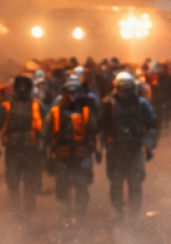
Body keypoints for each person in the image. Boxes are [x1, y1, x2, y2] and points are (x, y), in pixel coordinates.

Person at [101, 71, 158, 218]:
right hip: (116, 151)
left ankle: (133, 216)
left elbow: (152, 124)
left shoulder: (142, 103)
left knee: (135, 184)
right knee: (116, 185)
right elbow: (101, 126)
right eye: (123, 86)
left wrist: (149, 143)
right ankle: (120, 213)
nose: (126, 90)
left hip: (134, 150)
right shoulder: (108, 103)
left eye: (128, 86)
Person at [47, 78, 97, 221]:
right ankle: (70, 213)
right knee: (65, 186)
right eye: (69, 93)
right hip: (67, 155)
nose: (72, 96)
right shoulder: (57, 111)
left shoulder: (85, 111)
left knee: (79, 186)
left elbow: (94, 130)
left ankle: (76, 213)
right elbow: (46, 133)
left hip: (79, 155)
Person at [0, 74, 45, 212]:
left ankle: (15, 209)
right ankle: (29, 210)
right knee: (30, 182)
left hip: (12, 151)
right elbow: (44, 128)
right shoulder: (37, 105)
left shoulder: (6, 107)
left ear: (14, 90)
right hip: (31, 150)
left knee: (13, 182)